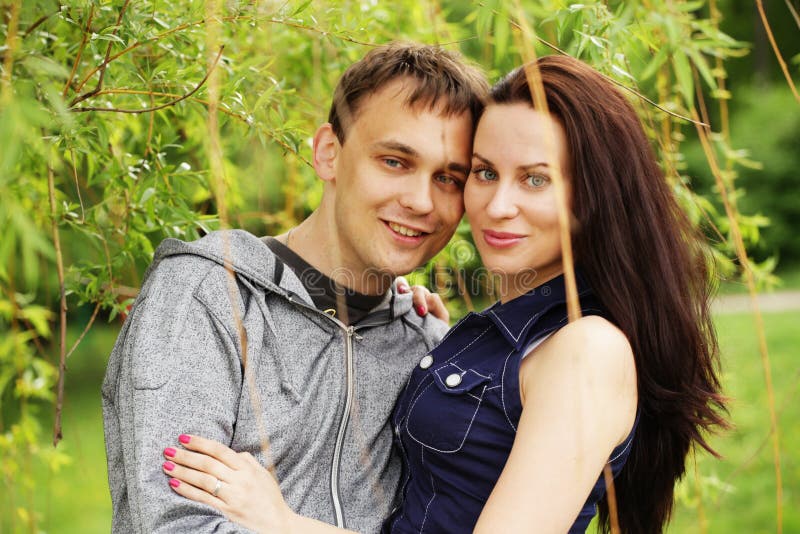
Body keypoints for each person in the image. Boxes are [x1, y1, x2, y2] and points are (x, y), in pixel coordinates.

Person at [156, 55, 728, 533]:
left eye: (535, 178)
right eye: (482, 173)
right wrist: (437, 337)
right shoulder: (482, 335)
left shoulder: (589, 352)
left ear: (593, 196)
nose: (497, 206)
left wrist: (283, 523)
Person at [101, 42, 488, 533]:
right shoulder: (208, 296)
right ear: (329, 152)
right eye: (394, 161)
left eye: (449, 178)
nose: (420, 201)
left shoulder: (425, 345)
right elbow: (175, 527)